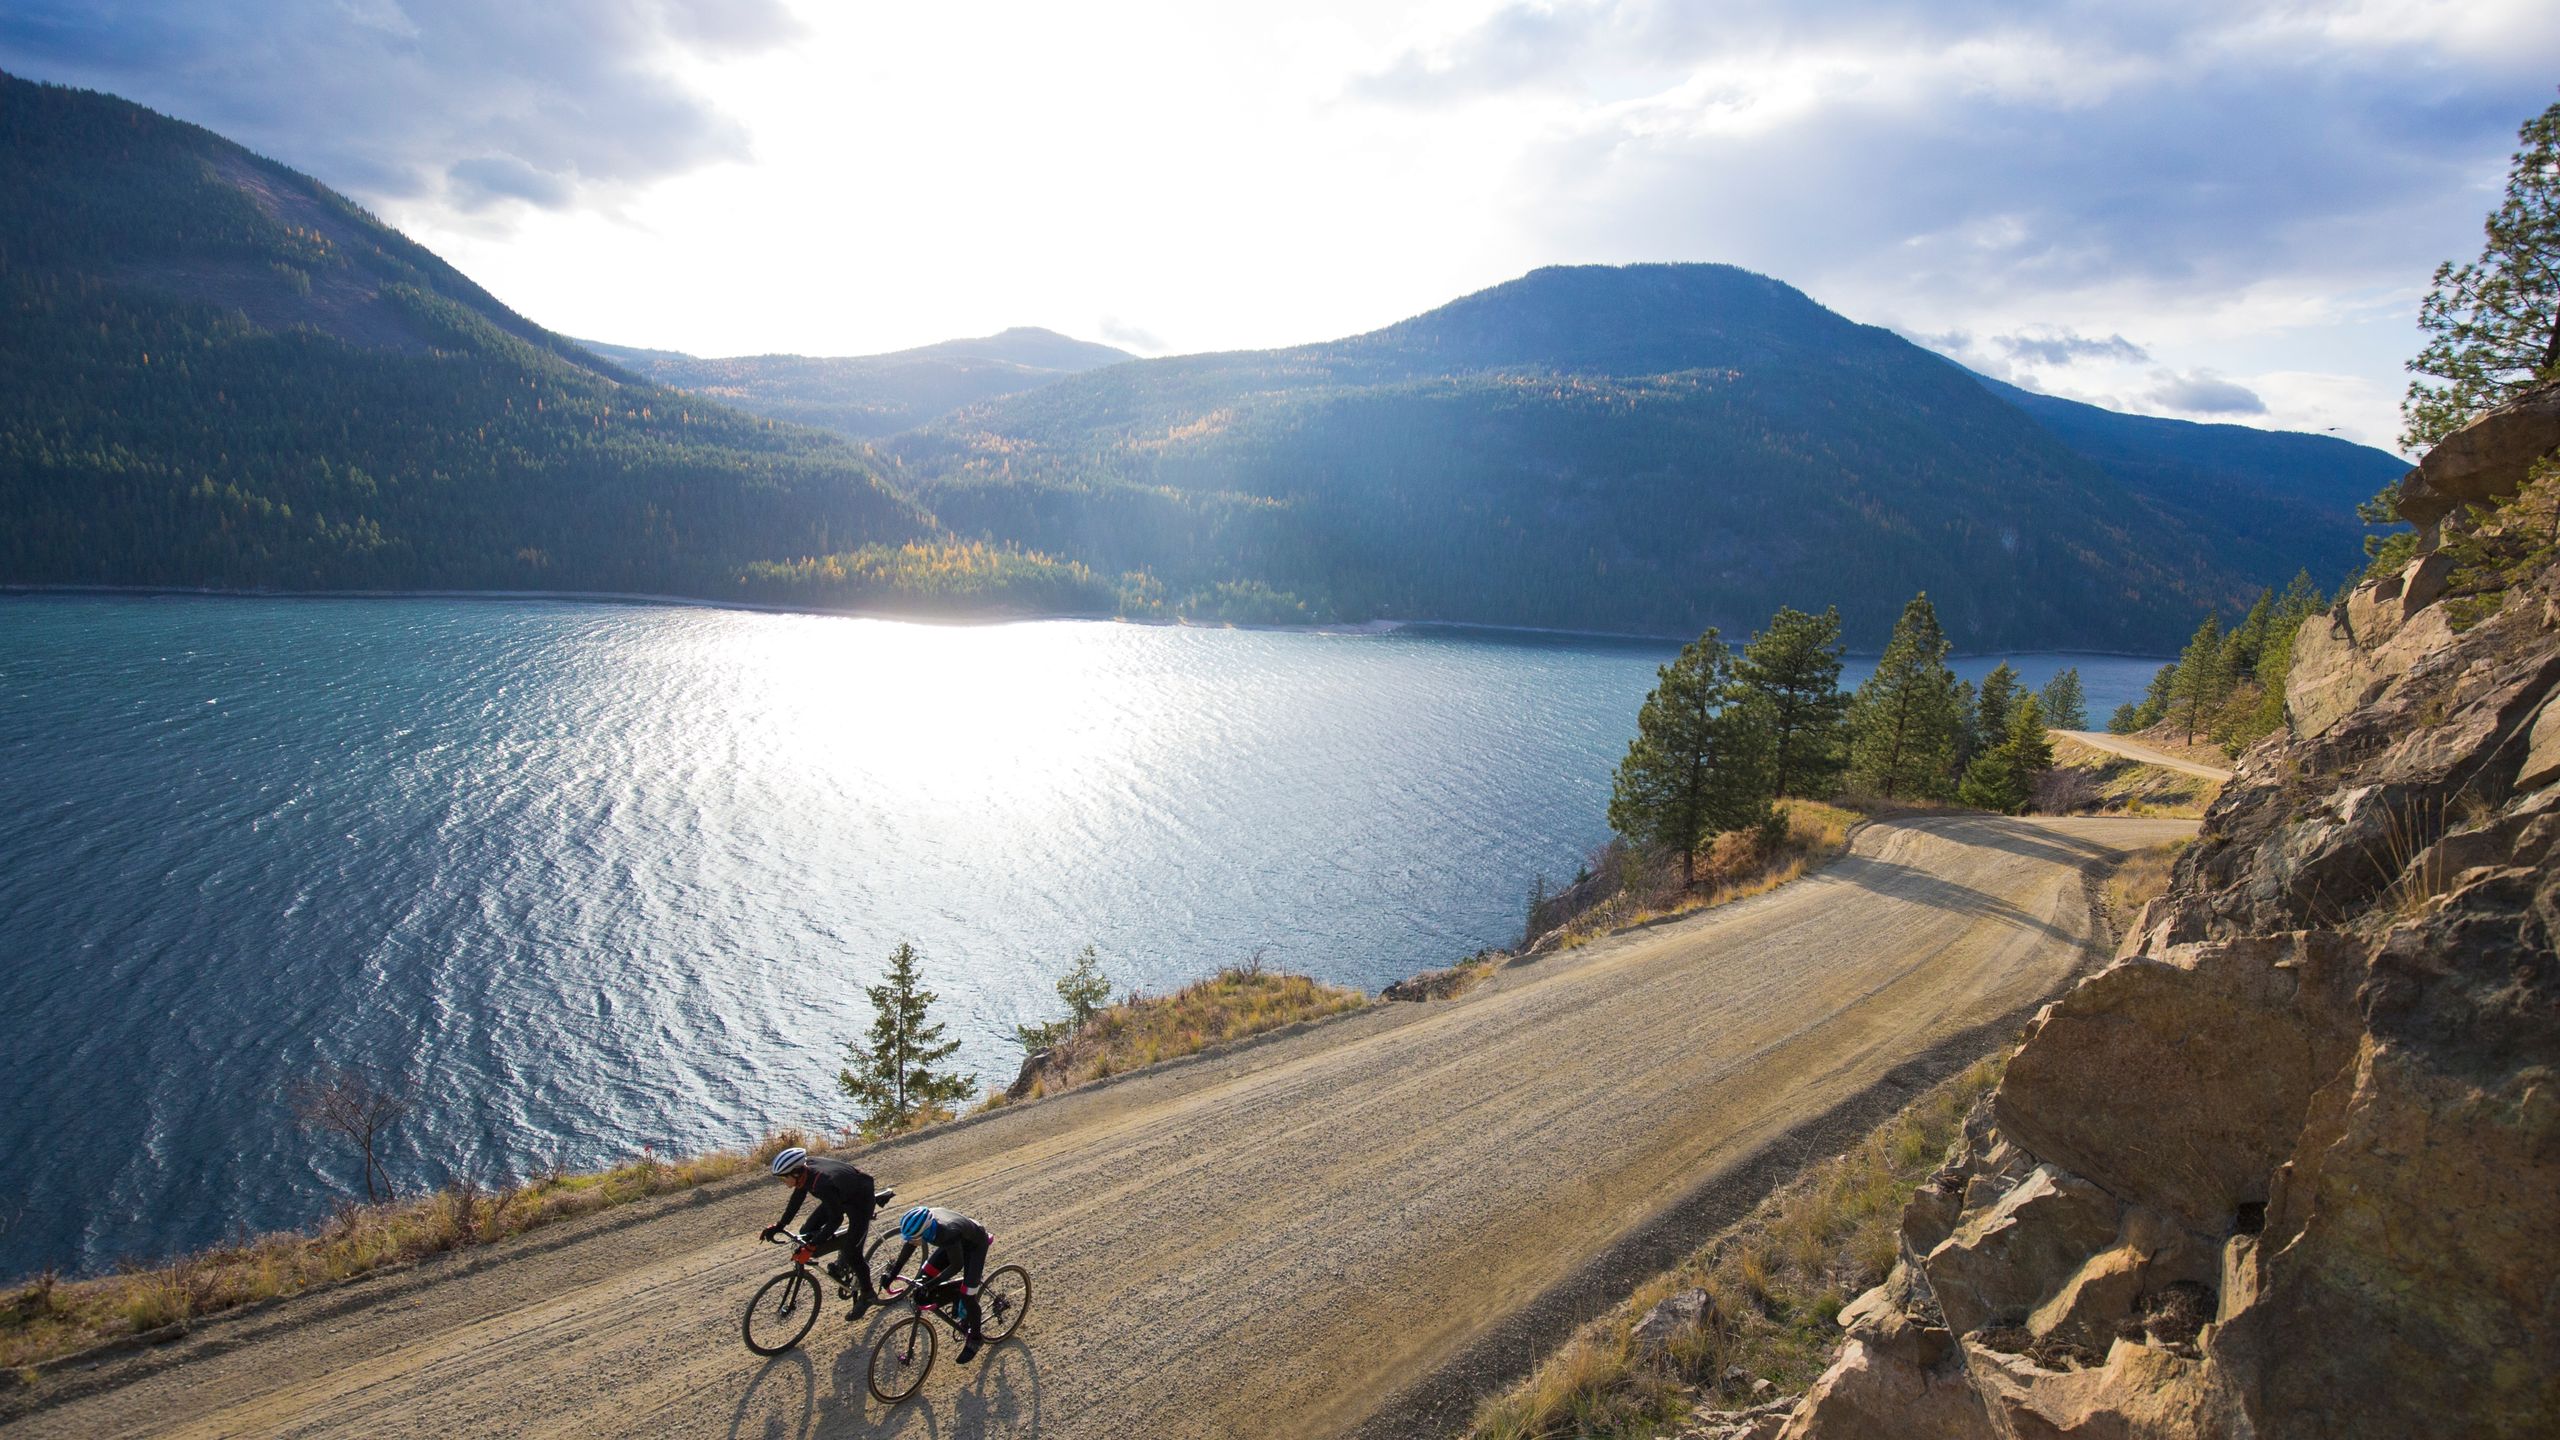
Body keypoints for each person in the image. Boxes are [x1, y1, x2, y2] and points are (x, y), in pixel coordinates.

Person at [760, 1147, 884, 1315]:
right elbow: (797, 1197)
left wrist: (811, 1246)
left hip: (860, 1200)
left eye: (783, 1178)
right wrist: (780, 1225)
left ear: (796, 1173)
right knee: (806, 1232)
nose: (782, 1182)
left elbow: (836, 1220)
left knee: (852, 1253)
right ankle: (842, 1258)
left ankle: (868, 1294)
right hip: (839, 1194)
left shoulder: (821, 1184)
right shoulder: (805, 1173)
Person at [883, 1204, 994, 1363]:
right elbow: (910, 1245)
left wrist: (931, 1285)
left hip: (974, 1246)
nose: (910, 1241)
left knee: (968, 1296)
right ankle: (956, 1294)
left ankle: (976, 1339)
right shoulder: (927, 1226)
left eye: (914, 1237)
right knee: (923, 1277)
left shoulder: (946, 1232)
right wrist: (892, 1274)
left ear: (925, 1231)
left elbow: (956, 1266)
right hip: (954, 1241)